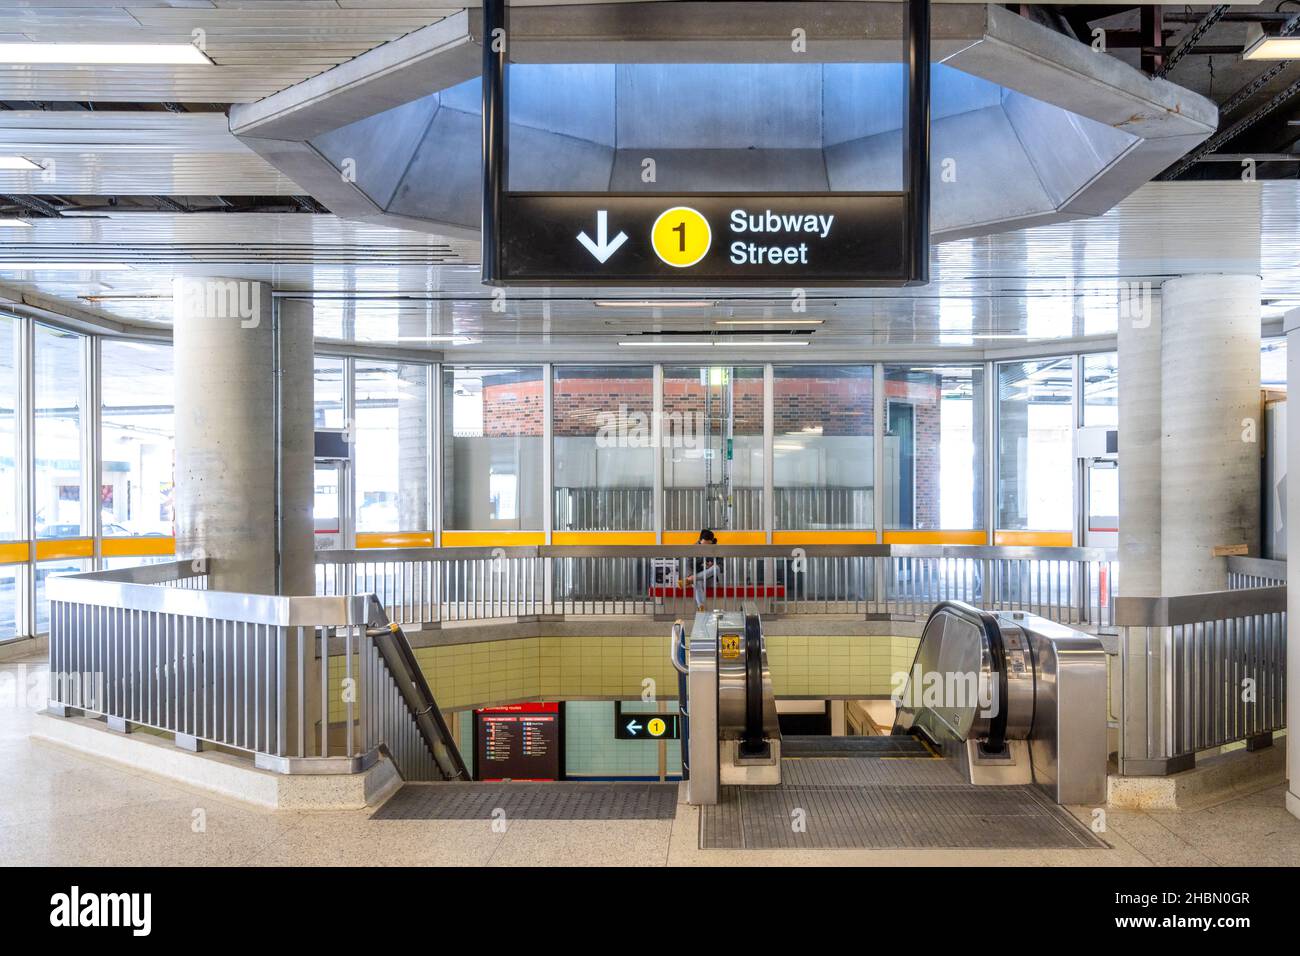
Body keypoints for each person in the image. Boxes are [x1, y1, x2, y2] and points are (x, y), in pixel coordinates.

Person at [683, 528, 720, 610]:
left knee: (716, 568)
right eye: (703, 545)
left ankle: (690, 580)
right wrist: (691, 575)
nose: (705, 547)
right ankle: (701, 607)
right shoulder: (692, 548)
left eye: (708, 545)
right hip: (697, 579)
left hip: (709, 579)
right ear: (700, 541)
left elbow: (722, 566)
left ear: (711, 542)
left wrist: (712, 564)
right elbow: (688, 565)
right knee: (697, 582)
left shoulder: (716, 548)